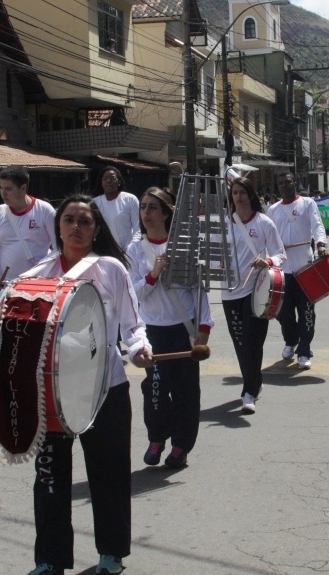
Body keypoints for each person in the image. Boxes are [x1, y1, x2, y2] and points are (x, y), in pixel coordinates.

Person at [26, 193, 150, 575]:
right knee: (49, 476)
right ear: (58, 226)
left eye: (84, 221)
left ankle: (111, 554)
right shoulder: (38, 274)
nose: (76, 227)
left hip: (105, 387)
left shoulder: (111, 268)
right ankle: (50, 559)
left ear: (96, 229)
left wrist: (140, 348)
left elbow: (133, 324)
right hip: (54, 392)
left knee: (109, 473)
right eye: (69, 220)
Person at [127, 188, 211, 469]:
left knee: (186, 392)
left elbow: (198, 291)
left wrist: (203, 328)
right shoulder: (135, 249)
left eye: (152, 208)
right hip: (152, 330)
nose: (146, 213)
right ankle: (157, 438)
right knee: (155, 389)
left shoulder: (185, 246)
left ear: (165, 213)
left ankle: (180, 446)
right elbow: (134, 294)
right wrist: (153, 275)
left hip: (182, 329)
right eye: (143, 207)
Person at [221, 177, 285, 414]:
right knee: (240, 344)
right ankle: (255, 382)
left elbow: (280, 254)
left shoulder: (264, 222)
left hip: (256, 291)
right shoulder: (224, 223)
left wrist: (267, 261)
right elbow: (217, 252)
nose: (238, 197)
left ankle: (249, 391)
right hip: (229, 293)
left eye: (242, 192)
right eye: (234, 192)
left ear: (250, 195)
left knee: (252, 342)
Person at [268, 172, 327, 370]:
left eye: (288, 182)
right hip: (282, 272)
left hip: (305, 268)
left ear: (295, 183)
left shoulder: (308, 203)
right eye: (281, 183)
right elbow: (267, 237)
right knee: (283, 313)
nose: (284, 185)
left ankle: (304, 350)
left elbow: (318, 225)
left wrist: (320, 244)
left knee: (307, 312)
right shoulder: (273, 210)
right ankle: (291, 340)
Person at [0, 166, 57, 306]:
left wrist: (40, 268)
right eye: (1, 188)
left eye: (9, 189)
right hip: (8, 287)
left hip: (40, 285)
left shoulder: (45, 210)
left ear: (23, 188)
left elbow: (59, 249)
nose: (3, 193)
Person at [93, 166, 141, 251]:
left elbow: (138, 227)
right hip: (105, 252)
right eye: (105, 179)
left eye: (112, 178)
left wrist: (132, 248)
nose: (108, 181)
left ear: (119, 182)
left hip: (129, 251)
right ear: (101, 183)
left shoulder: (130, 199)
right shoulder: (95, 203)